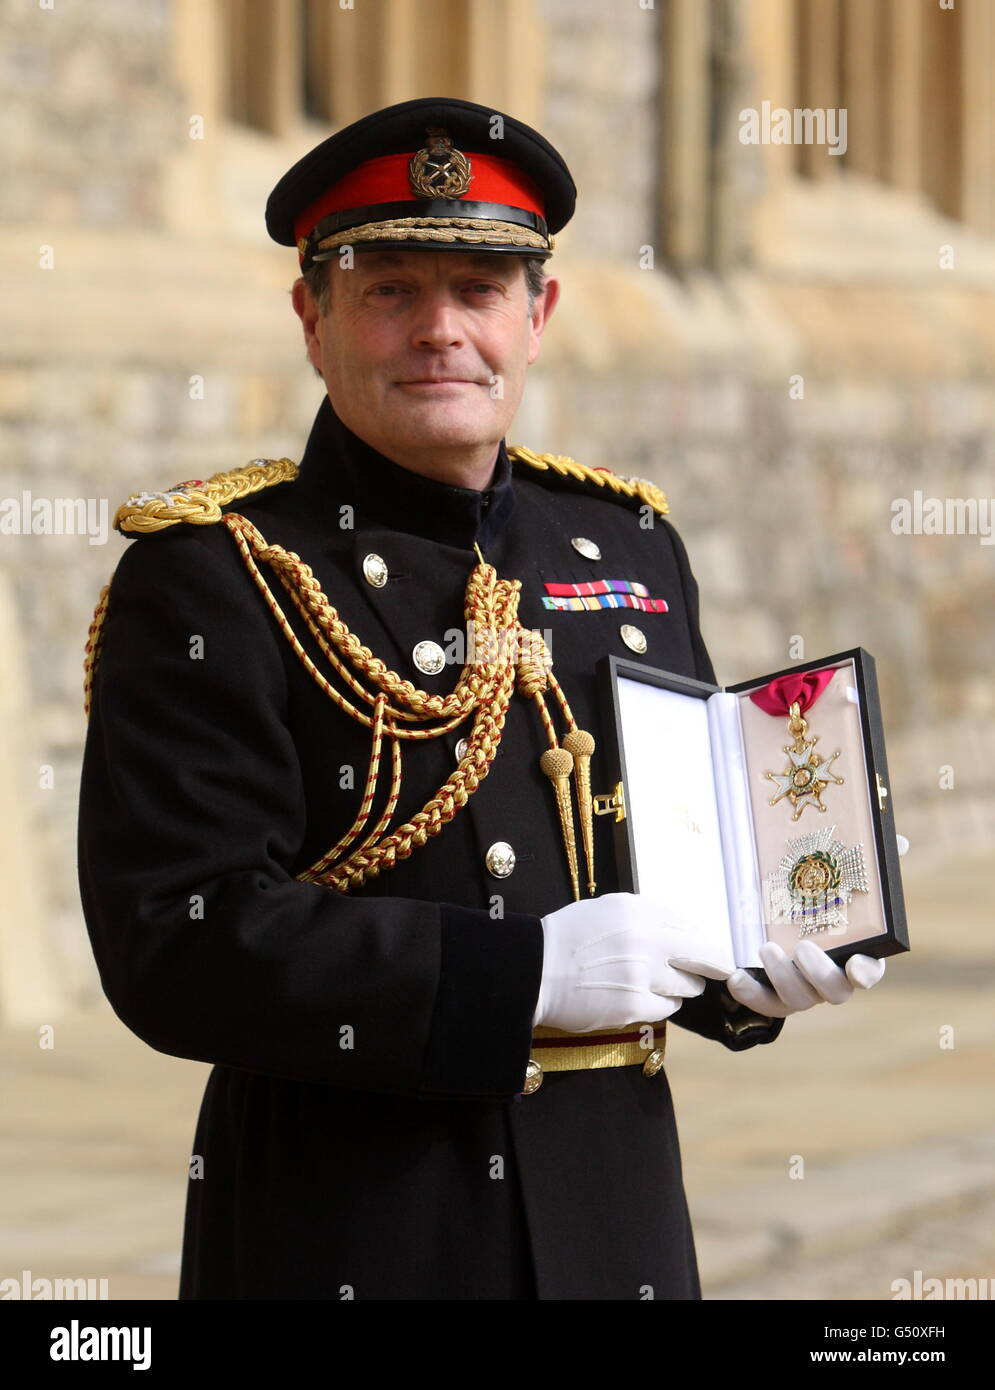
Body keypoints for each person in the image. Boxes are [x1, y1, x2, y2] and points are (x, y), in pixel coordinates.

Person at [77, 97, 887, 1301]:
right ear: (312, 316)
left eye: (478, 289)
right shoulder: (216, 572)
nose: (439, 330)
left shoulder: (622, 545)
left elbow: (672, 851)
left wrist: (763, 955)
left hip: (613, 1218)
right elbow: (175, 939)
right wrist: (521, 979)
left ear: (538, 313)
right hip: (352, 1228)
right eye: (389, 290)